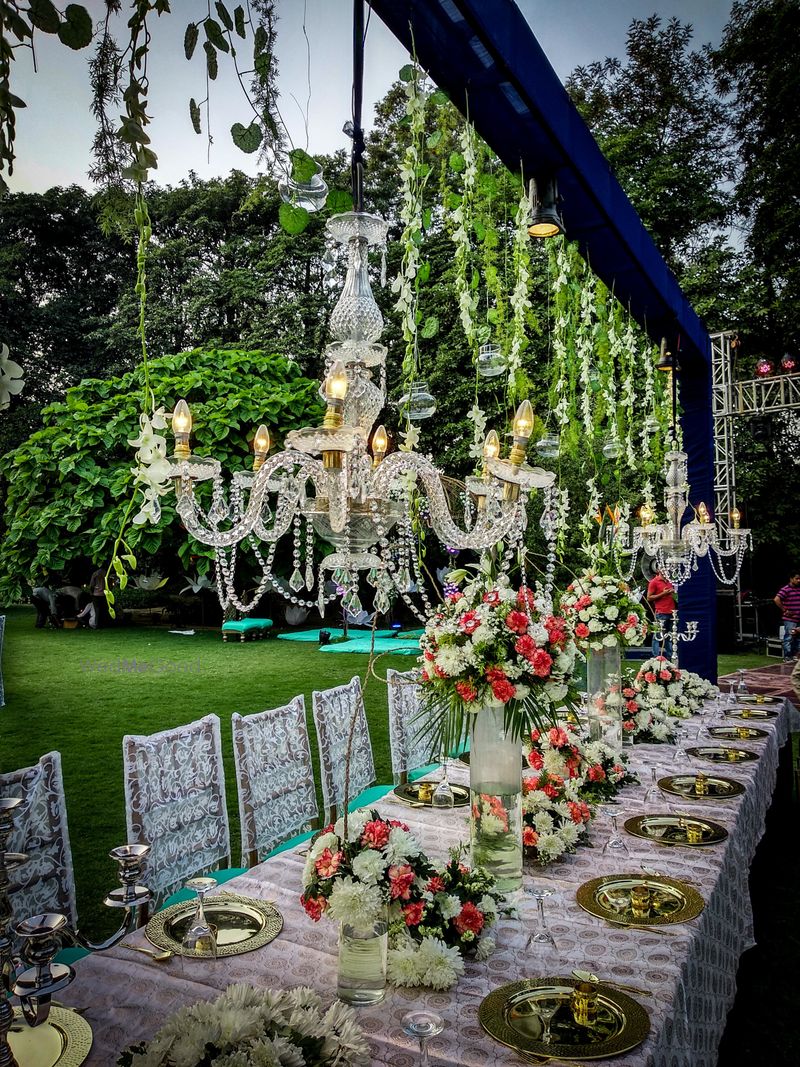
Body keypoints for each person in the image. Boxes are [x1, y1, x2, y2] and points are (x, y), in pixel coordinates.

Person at [647, 566, 676, 660]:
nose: (666, 570)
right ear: (658, 570)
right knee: (657, 635)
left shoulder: (670, 581)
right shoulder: (654, 582)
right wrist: (663, 593)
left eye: (667, 568)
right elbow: (649, 598)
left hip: (672, 612)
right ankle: (655, 657)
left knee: (669, 636)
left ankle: (670, 657)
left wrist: (673, 592)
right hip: (661, 612)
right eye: (663, 568)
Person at [773, 572, 800, 661]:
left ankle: (796, 656)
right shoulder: (786, 589)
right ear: (791, 579)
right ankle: (787, 657)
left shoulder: (799, 589)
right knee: (789, 637)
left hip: (798, 618)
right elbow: (776, 599)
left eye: (799, 579)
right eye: (797, 578)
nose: (799, 580)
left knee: (798, 638)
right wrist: (784, 610)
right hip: (790, 619)